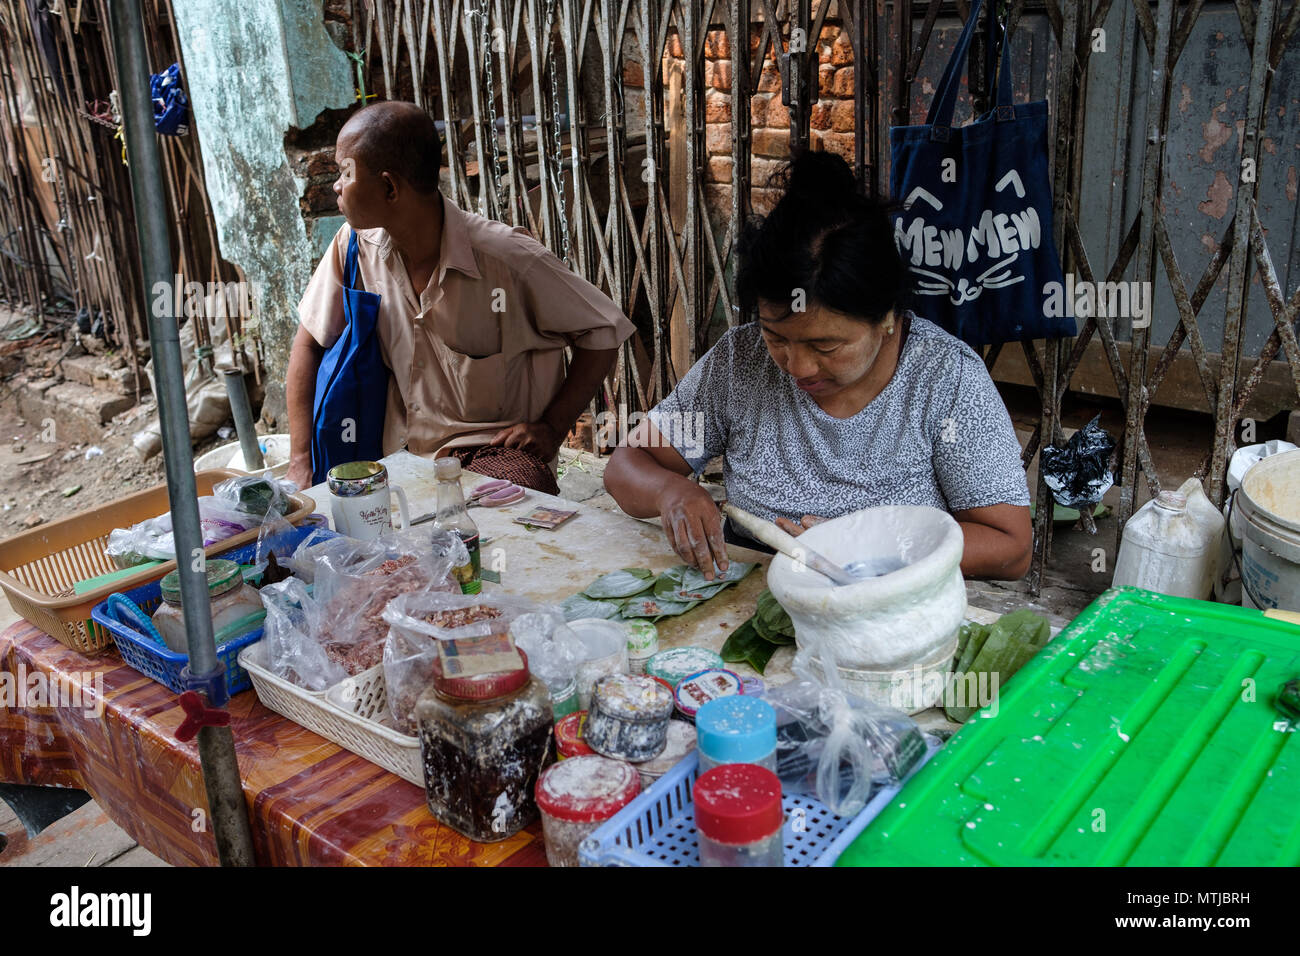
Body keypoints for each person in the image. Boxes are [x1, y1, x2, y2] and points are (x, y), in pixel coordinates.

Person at [603, 151, 1032, 581]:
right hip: (747, 597)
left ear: (886, 315)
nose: (798, 366)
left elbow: (1011, 548)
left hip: (879, 611)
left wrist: (876, 548)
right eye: (777, 337)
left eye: (825, 345)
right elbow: (626, 463)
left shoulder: (947, 380)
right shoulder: (740, 362)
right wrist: (670, 491)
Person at [287, 101, 635, 492]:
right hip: (391, 455)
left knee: (511, 510)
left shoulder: (507, 260)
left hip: (487, 455)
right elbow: (310, 343)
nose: (335, 185)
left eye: (345, 173)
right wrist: (300, 462)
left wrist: (553, 427)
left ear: (389, 187)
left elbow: (603, 331)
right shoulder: (354, 247)